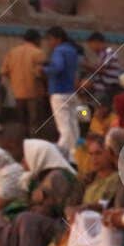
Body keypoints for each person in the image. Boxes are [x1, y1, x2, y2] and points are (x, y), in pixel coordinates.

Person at [43, 25, 82, 156]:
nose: (48, 43)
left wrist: (44, 70)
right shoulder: (72, 50)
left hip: (59, 93)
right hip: (71, 92)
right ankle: (76, 153)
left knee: (64, 128)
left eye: (50, 39)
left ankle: (59, 155)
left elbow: (58, 68)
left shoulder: (59, 51)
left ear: (57, 39)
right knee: (73, 125)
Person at [2, 29, 47, 136]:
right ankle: (35, 146)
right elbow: (42, 73)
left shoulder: (12, 52)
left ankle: (24, 145)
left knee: (22, 122)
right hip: (34, 93)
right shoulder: (38, 53)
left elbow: (4, 71)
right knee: (35, 122)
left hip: (18, 93)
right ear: (37, 40)